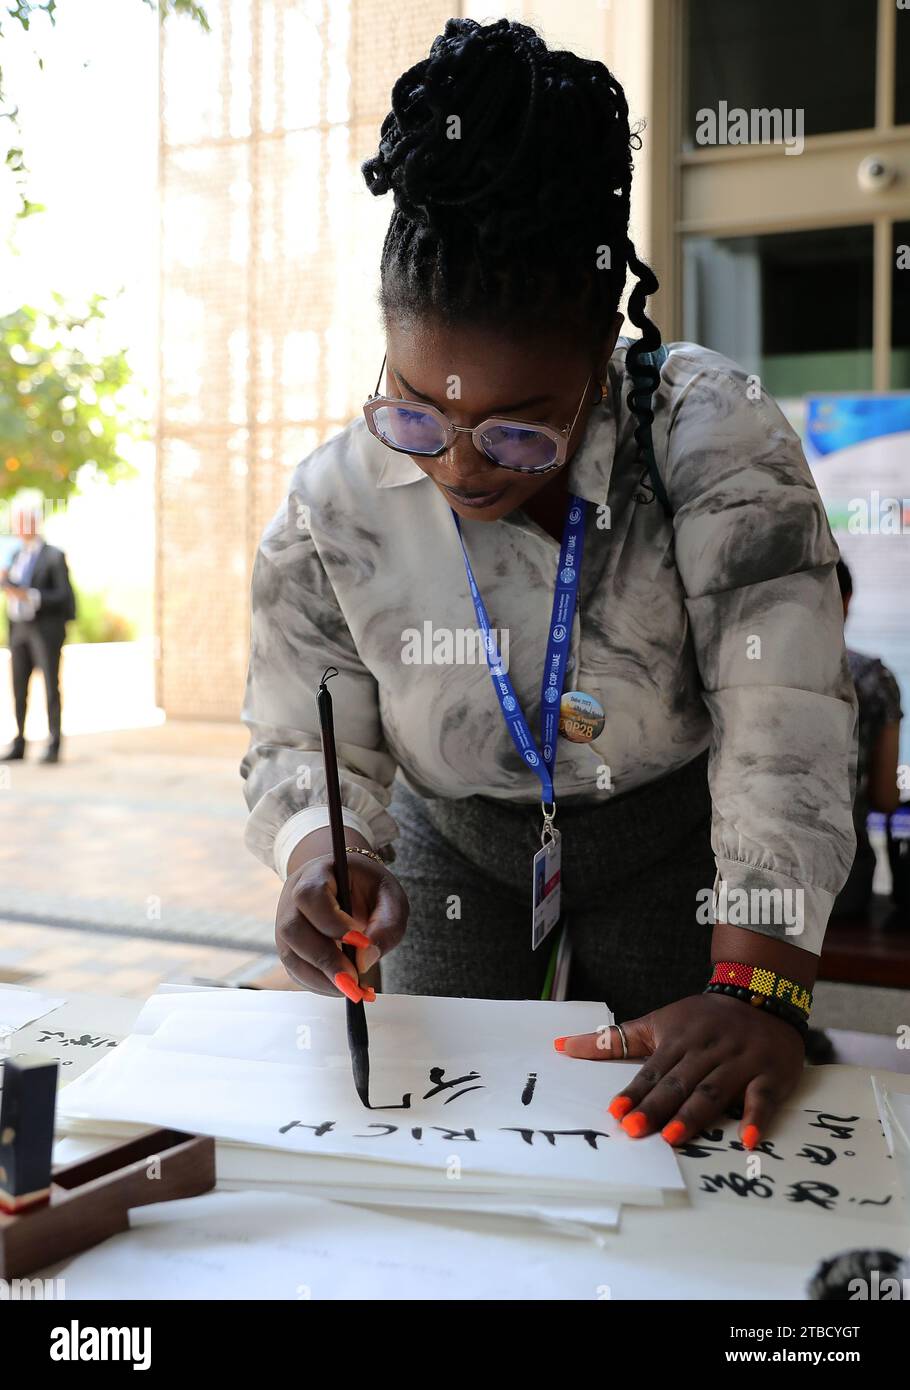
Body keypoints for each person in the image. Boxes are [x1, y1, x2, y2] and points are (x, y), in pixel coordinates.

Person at [240, 19, 858, 1151]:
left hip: (680, 843)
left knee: (682, 1146)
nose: (460, 463)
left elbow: (785, 723)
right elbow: (299, 732)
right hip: (451, 849)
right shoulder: (336, 502)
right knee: (440, 1143)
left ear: (598, 361)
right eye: (417, 411)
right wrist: (321, 856)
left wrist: (761, 992)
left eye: (522, 432)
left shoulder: (704, 436)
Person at [831, 559, 902, 916]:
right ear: (846, 601)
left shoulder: (751, 673)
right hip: (842, 881)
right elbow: (886, 798)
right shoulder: (875, 679)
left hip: (756, 883)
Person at [0, 506, 76, 764]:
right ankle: (19, 742)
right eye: (17, 523)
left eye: (26, 522)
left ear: (35, 524)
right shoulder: (15, 555)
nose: (21, 528)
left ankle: (54, 744)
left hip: (45, 630)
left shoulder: (53, 555)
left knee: (50, 687)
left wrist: (31, 596)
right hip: (19, 629)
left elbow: (64, 596)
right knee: (18, 687)